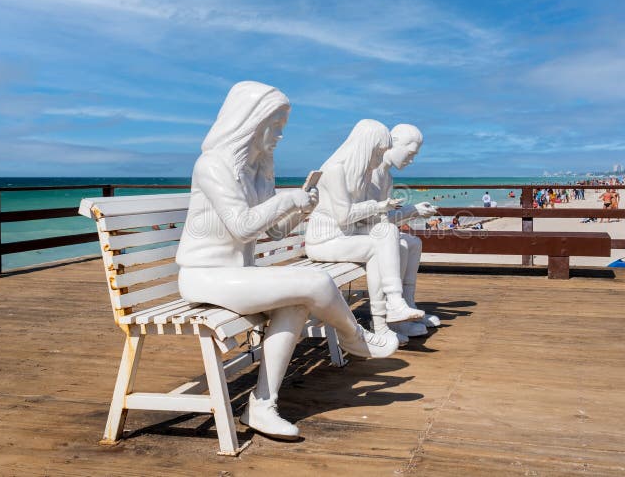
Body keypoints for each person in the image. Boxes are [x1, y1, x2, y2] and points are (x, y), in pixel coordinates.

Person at [176, 82, 398, 441]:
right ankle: (354, 337)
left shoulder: (257, 168)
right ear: (251, 122)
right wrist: (287, 199)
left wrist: (301, 208)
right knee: (316, 283)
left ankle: (262, 405)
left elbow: (276, 231)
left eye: (282, 125)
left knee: (296, 304)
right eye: (275, 124)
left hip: (237, 275)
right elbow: (242, 226)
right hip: (205, 276)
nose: (280, 134)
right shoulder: (213, 165)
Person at [305, 119, 426, 334]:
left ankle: (393, 307)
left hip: (346, 235)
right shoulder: (335, 170)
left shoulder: (361, 173)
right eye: (379, 153)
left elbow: (363, 219)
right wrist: (379, 206)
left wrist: (388, 211)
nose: (379, 159)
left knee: (389, 233)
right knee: (379, 246)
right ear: (366, 147)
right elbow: (344, 216)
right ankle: (382, 322)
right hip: (325, 241)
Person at [365, 124, 440, 339]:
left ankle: (408, 306)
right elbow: (372, 220)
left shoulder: (386, 177)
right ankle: (393, 317)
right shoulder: (372, 174)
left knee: (414, 242)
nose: (411, 160)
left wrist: (413, 211)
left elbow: (384, 218)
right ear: (394, 143)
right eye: (410, 153)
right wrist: (411, 211)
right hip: (361, 234)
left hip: (376, 231)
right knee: (402, 244)